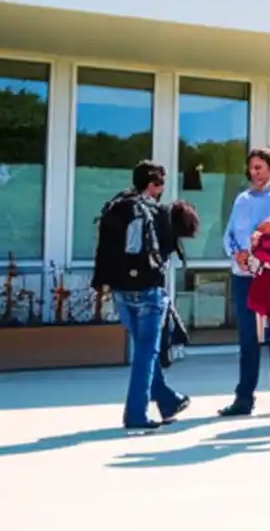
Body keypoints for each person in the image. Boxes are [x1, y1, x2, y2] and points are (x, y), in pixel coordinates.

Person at [91, 160, 192, 431]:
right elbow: (171, 247)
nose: (161, 191)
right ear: (152, 185)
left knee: (143, 350)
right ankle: (135, 413)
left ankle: (168, 400)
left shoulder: (114, 207)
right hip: (149, 291)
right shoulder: (156, 212)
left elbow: (103, 250)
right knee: (146, 355)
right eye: (160, 185)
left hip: (121, 291)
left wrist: (99, 284)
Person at [218, 148, 270, 418]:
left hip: (269, 275)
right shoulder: (242, 198)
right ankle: (243, 397)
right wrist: (236, 253)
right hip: (242, 276)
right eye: (252, 167)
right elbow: (229, 234)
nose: (255, 173)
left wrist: (255, 255)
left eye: (260, 167)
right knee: (247, 338)